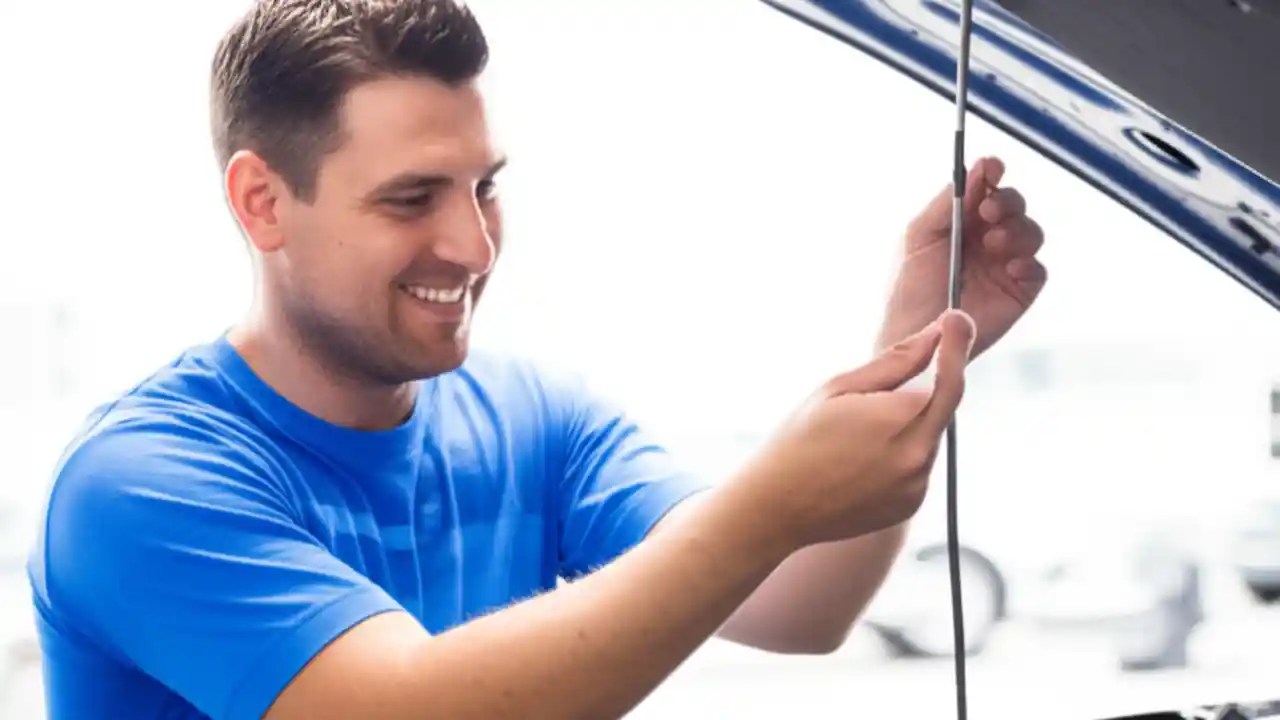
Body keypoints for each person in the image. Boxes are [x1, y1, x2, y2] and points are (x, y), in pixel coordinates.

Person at [26, 1, 1047, 718]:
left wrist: (914, 356)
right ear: (262, 202)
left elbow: (797, 604)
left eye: (484, 187)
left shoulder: (528, 417)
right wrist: (772, 500)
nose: (473, 247)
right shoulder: (137, 486)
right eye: (410, 197)